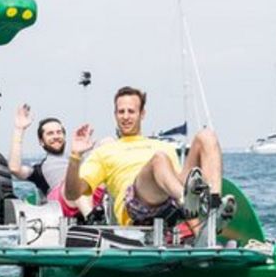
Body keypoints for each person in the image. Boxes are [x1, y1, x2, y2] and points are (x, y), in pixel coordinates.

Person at [64, 86, 235, 229]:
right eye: (121, 112)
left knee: (206, 136)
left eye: (131, 111)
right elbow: (72, 193)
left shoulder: (164, 146)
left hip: (170, 199)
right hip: (135, 206)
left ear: (142, 114)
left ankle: (214, 207)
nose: (125, 116)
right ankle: (189, 203)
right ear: (115, 114)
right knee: (159, 160)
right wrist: (75, 155)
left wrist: (199, 235)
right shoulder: (105, 151)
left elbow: (174, 182)